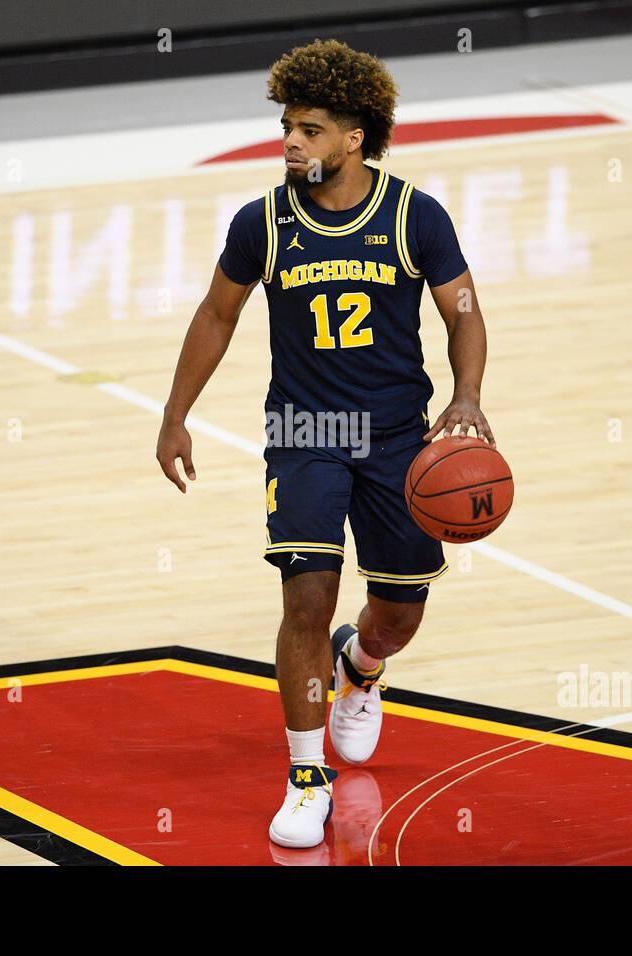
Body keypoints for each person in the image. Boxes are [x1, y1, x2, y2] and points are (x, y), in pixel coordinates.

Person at [156, 38, 494, 849]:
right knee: (306, 597)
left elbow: (464, 311)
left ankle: (361, 669)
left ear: (354, 137)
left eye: (309, 130)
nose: (291, 143)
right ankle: (307, 777)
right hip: (303, 432)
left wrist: (469, 397)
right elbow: (216, 315)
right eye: (286, 127)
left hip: (396, 440)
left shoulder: (415, 214)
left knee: (397, 616)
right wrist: (176, 413)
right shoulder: (263, 220)